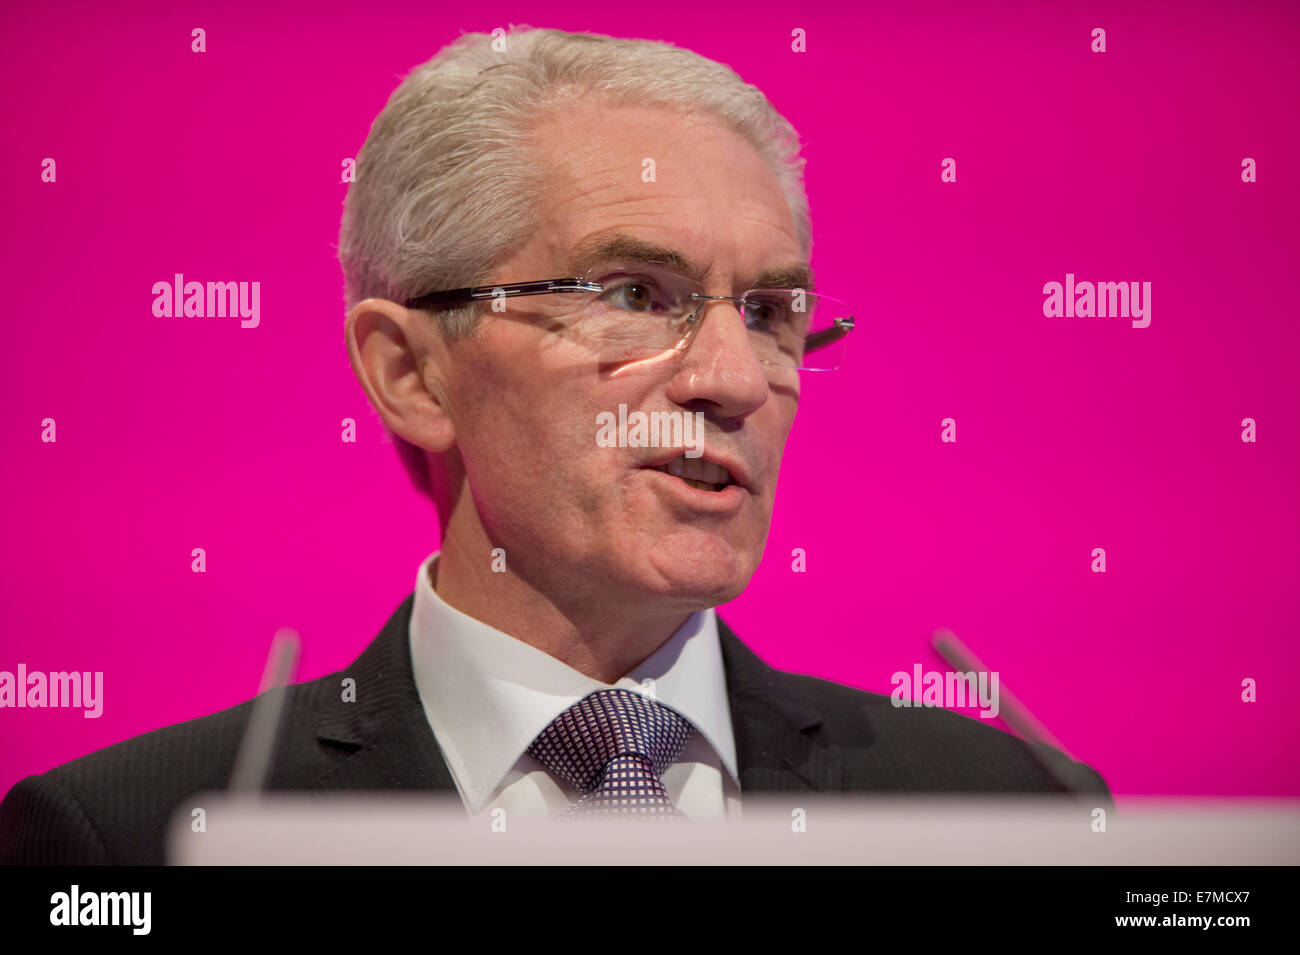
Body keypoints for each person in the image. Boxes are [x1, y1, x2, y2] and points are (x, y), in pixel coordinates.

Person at [0, 27, 1108, 865]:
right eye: (636, 293)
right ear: (413, 372)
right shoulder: (143, 835)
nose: (730, 379)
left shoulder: (1005, 811)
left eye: (769, 311)